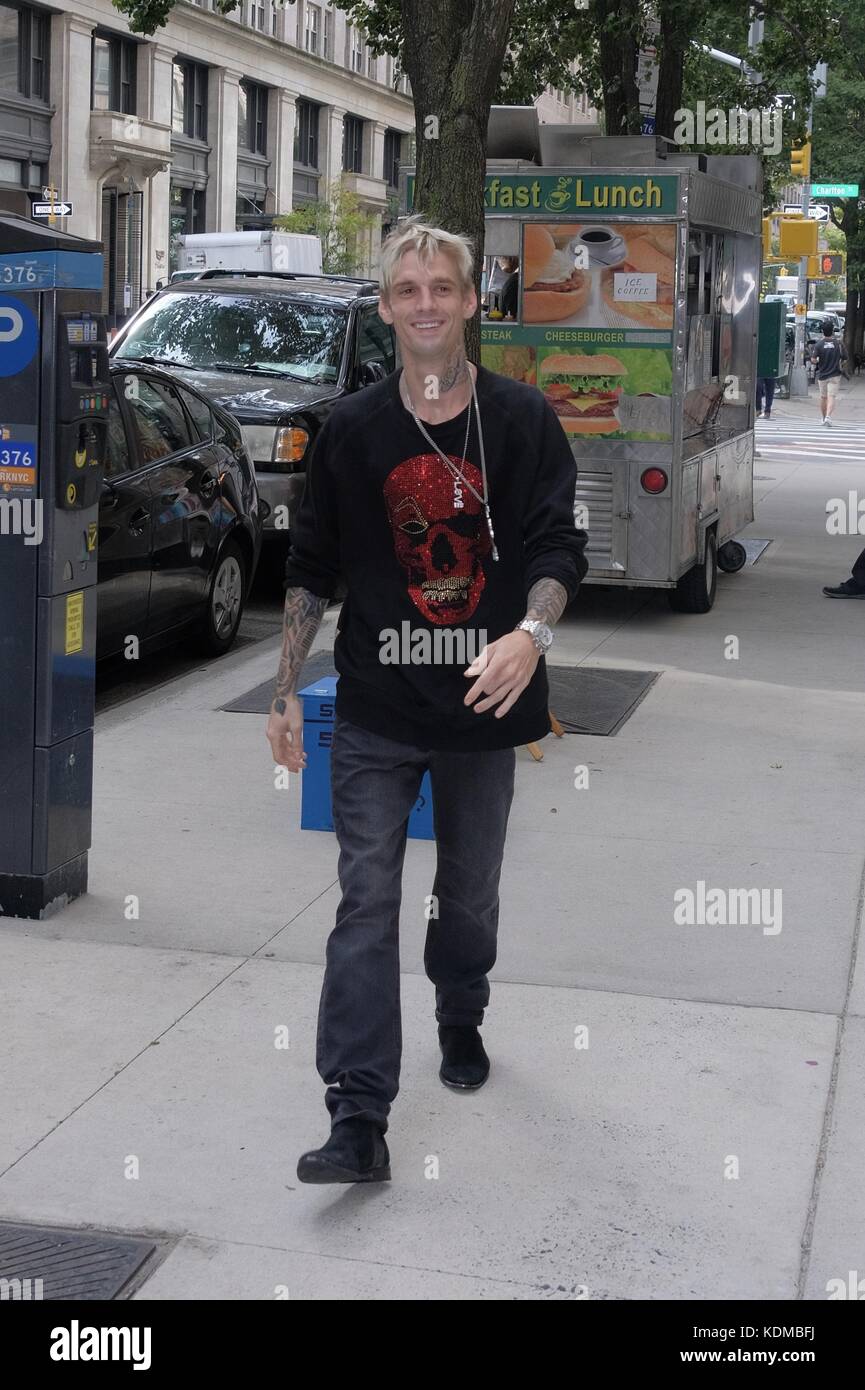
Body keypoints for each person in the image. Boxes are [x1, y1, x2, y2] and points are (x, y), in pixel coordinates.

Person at [266, 216, 588, 1184]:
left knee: (469, 892)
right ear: (385, 308)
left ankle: (461, 1008)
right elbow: (310, 568)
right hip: (372, 704)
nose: (424, 306)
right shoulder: (352, 430)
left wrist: (529, 637)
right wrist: (284, 692)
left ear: (468, 301)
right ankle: (358, 1115)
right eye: (406, 291)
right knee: (364, 902)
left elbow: (558, 553)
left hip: (484, 707)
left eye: (440, 288)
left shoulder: (522, 420)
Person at [811, 319, 848, 426]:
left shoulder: (819, 344)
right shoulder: (839, 344)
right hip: (835, 375)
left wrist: (818, 360)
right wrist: (840, 364)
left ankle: (823, 418)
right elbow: (846, 358)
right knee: (831, 396)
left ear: (823, 331)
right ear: (832, 331)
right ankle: (828, 416)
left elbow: (813, 360)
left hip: (822, 375)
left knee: (823, 397)